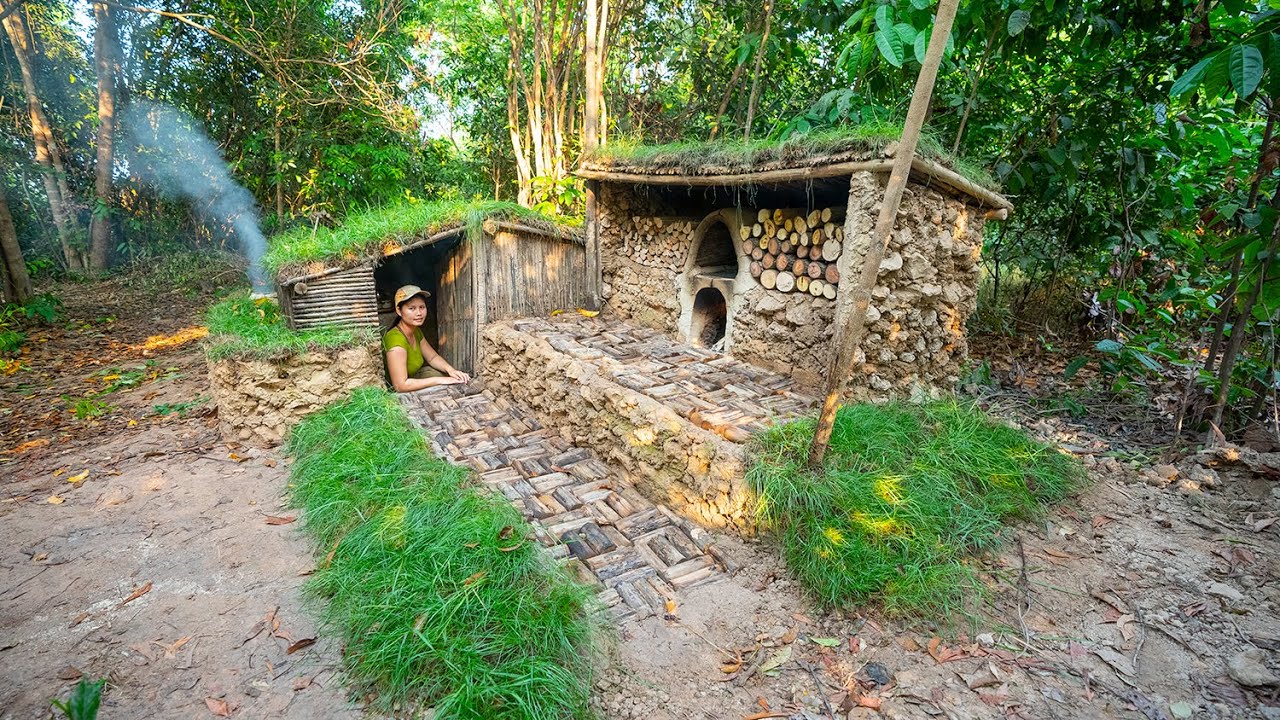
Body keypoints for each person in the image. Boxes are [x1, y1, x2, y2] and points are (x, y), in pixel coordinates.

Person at [383, 284, 471, 392]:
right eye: (412, 308)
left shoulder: (415, 331)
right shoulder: (395, 340)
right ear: (399, 311)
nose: (419, 313)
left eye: (422, 307)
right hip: (398, 394)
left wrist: (451, 370)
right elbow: (400, 386)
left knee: (439, 374)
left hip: (413, 378)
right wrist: (439, 380)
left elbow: (432, 357)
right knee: (439, 379)